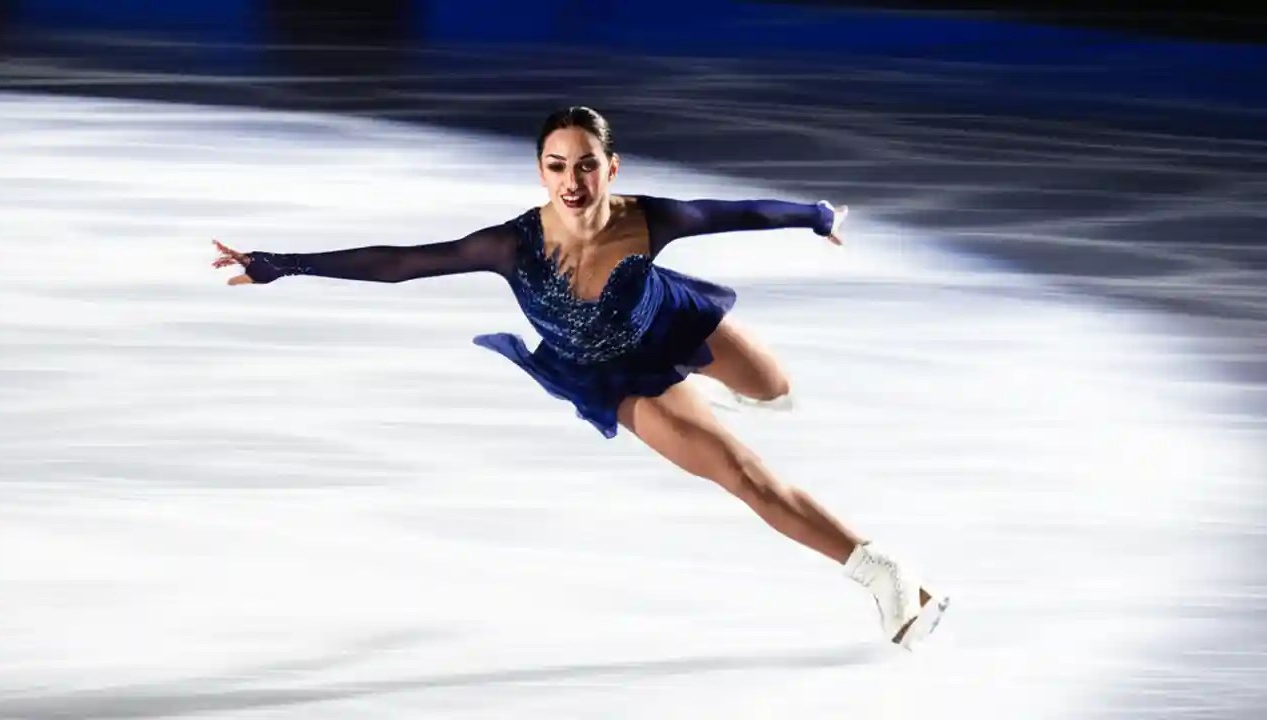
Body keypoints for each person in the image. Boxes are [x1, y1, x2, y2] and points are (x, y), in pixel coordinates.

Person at [211, 106, 949, 649]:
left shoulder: (650, 219)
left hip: (670, 320)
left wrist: (815, 215)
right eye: (557, 165)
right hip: (612, 374)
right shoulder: (510, 245)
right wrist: (282, 264)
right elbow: (403, 262)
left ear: (611, 167)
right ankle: (880, 570)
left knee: (775, 391)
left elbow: (736, 211)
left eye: (586, 164)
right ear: (541, 171)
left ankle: (727, 382)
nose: (572, 179)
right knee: (741, 473)